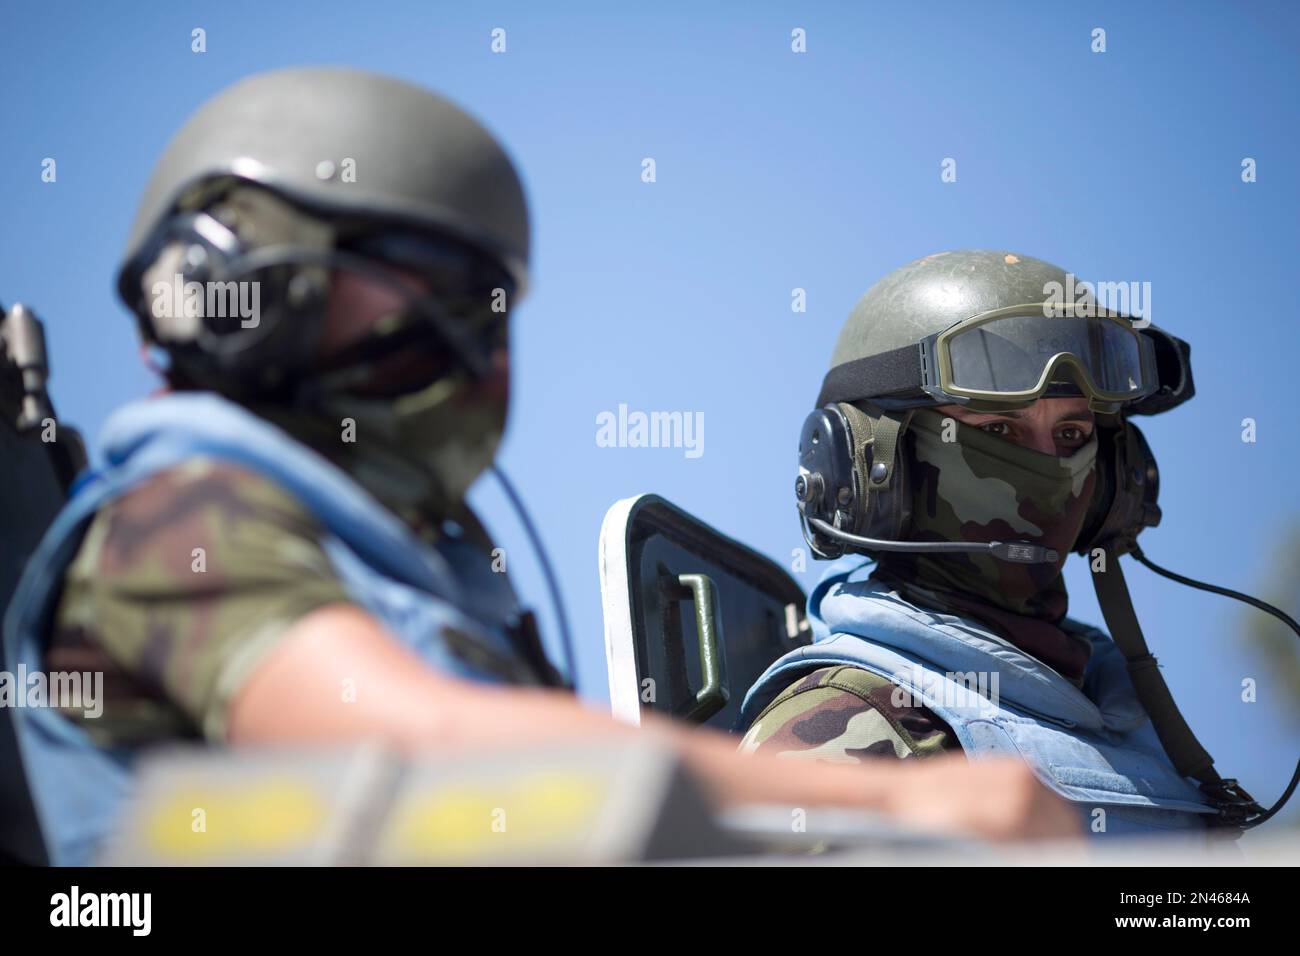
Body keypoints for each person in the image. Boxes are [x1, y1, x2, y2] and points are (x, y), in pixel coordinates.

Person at [2, 74, 1080, 866]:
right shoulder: (175, 526)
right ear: (229, 284)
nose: (478, 348)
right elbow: (420, 754)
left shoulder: (428, 583)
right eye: (422, 284)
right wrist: (904, 809)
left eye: (489, 305)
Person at [739, 249, 1257, 838]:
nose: (1050, 471)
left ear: (1119, 482)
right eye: (998, 430)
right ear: (874, 468)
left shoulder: (1128, 708)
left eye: (1072, 434)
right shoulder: (852, 726)